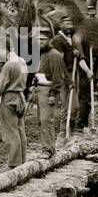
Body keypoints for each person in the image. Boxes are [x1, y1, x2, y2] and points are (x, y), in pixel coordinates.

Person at [0, 30, 29, 169]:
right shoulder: (22, 61)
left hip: (10, 98)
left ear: (5, 48)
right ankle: (23, 160)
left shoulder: (9, 65)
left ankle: (15, 163)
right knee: (20, 129)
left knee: (11, 131)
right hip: (21, 97)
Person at [34, 27, 70, 155]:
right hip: (40, 89)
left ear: (49, 40)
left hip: (48, 91)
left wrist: (53, 94)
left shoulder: (54, 55)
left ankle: (48, 150)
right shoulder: (43, 53)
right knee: (41, 120)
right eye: (38, 40)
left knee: (46, 120)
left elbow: (58, 77)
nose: (40, 42)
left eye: (43, 40)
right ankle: (47, 147)